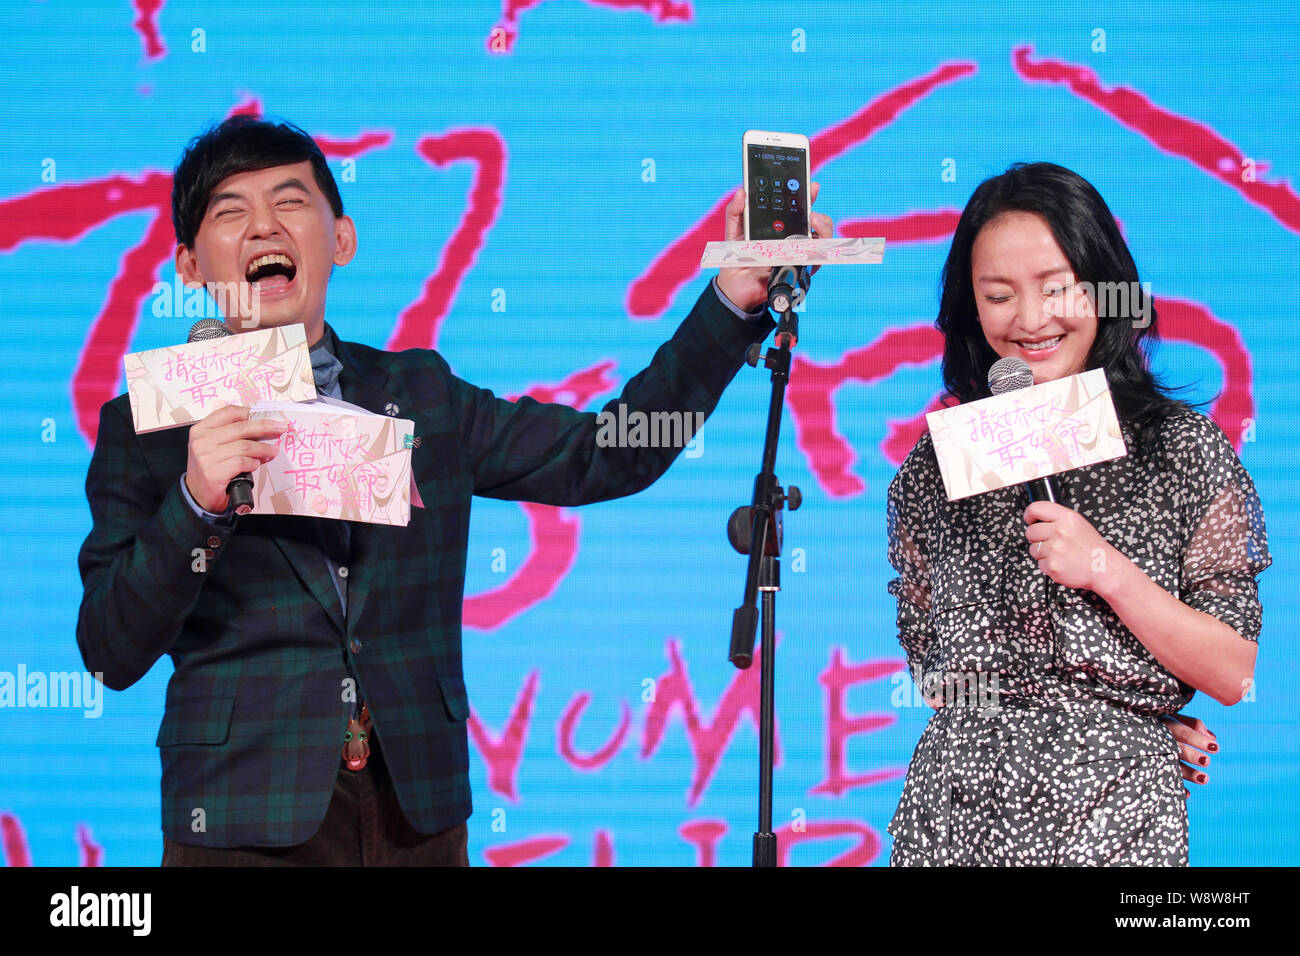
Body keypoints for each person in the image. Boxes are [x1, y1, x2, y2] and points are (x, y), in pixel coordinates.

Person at [75, 116, 832, 865]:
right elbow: (111, 651)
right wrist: (196, 502)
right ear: (187, 266)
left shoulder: (422, 396)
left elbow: (609, 454)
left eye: (290, 202)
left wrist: (732, 305)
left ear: (340, 239)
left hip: (419, 820)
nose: (264, 226)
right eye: (231, 212)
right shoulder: (148, 426)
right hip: (242, 822)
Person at [884, 162, 1269, 866]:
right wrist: (1052, 716)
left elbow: (1234, 671)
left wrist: (1107, 575)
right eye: (998, 296)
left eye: (1057, 288)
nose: (1030, 320)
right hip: (954, 823)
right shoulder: (937, 469)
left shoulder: (1175, 449)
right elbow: (935, 674)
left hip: (1116, 823)